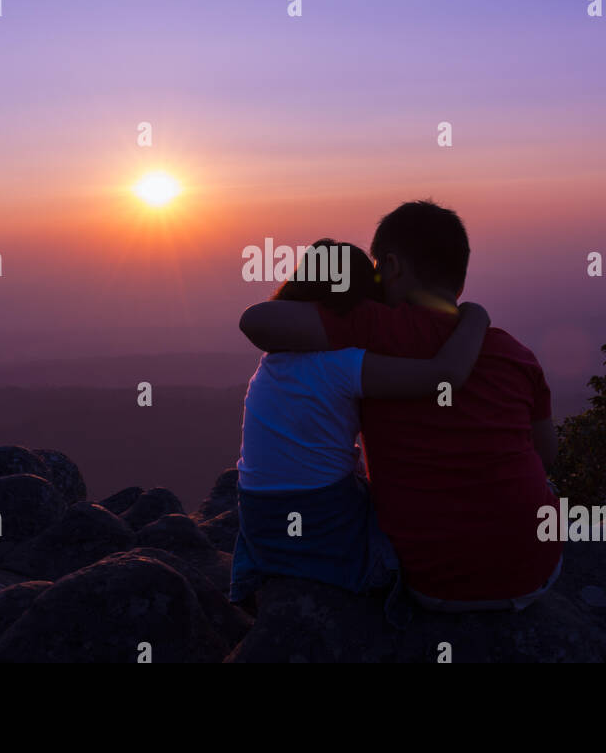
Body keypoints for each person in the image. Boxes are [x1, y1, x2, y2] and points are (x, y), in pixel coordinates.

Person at [239, 202, 562, 611]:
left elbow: (258, 322)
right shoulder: (517, 354)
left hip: (431, 582)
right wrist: (476, 317)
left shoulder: (372, 328)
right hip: (533, 573)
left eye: (376, 269)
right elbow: (545, 456)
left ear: (391, 266)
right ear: (459, 273)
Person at [230, 238, 490, 612]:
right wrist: (475, 316)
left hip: (258, 516)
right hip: (321, 516)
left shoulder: (273, 361)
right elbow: (443, 377)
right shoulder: (346, 364)